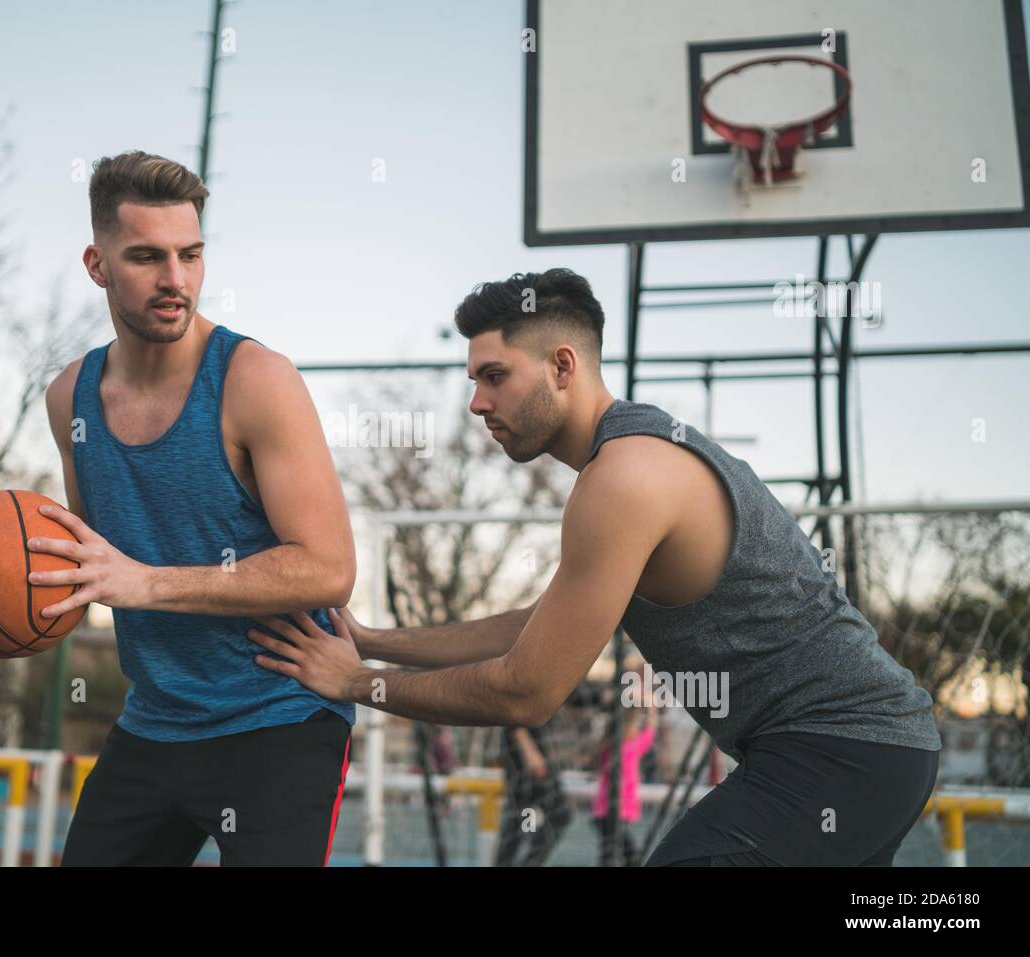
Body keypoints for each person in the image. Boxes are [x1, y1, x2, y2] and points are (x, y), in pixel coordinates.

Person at [248, 267, 941, 866]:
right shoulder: (630, 459)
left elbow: (526, 690)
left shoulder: (623, 477)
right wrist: (372, 641)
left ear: (561, 366)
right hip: (867, 752)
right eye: (474, 380)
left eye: (494, 376)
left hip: (843, 750)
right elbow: (533, 628)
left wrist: (359, 683)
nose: (477, 402)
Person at [31, 151, 354, 866]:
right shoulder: (70, 399)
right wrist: (12, 593)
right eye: (147, 257)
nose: (176, 280)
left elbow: (330, 568)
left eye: (191, 254)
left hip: (280, 717)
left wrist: (147, 582)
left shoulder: (256, 381)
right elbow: (92, 565)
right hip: (155, 721)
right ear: (97, 264)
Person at [495, 718, 573, 867]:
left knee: (519, 821)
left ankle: (517, 863)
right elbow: (514, 710)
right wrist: (528, 748)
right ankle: (527, 863)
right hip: (523, 754)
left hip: (531, 747)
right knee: (560, 813)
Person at [591, 699, 657, 867]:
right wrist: (650, 708)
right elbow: (650, 731)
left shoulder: (608, 745)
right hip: (616, 810)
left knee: (609, 853)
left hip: (604, 810)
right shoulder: (630, 746)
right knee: (629, 856)